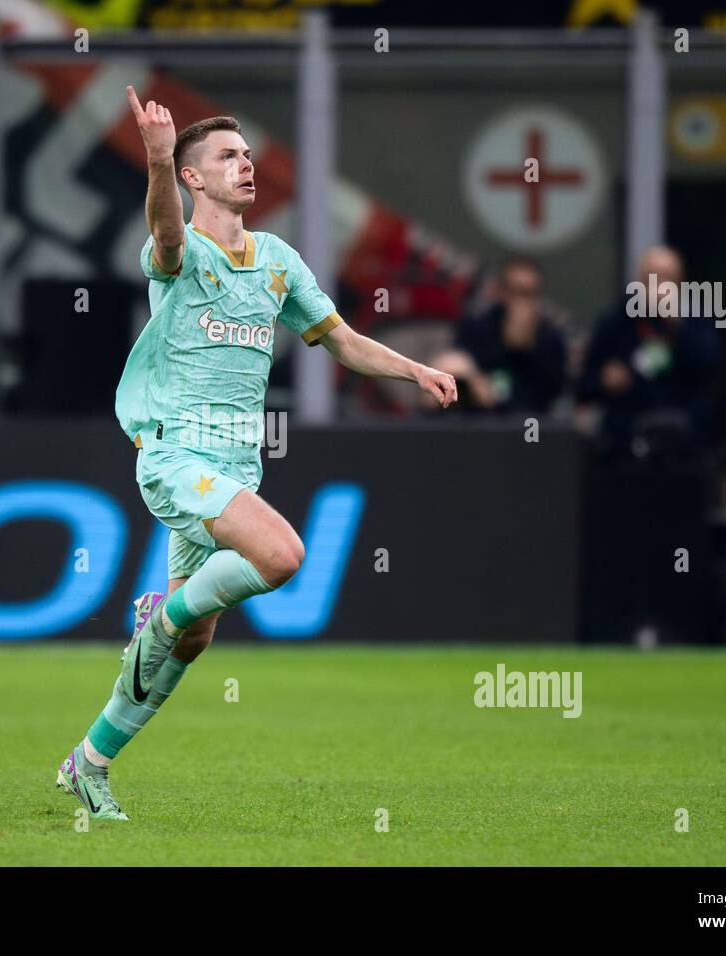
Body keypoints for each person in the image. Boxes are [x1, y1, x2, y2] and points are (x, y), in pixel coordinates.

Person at [55, 87, 459, 820]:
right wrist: (154, 159)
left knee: (194, 638)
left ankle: (90, 760)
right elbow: (165, 235)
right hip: (178, 455)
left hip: (237, 465)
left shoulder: (277, 259)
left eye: (246, 154)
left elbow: (340, 340)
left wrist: (414, 370)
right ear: (194, 178)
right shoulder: (177, 249)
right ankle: (160, 612)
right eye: (228, 157)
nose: (246, 166)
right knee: (281, 556)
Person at [576, 246, 719, 455]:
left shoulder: (695, 323)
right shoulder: (615, 322)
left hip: (683, 441)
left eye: (667, 279)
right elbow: (585, 388)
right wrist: (605, 381)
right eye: (653, 277)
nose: (659, 287)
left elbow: (709, 369)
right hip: (625, 441)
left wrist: (676, 324)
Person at [427, 257, 566, 415]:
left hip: (533, 428)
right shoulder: (477, 328)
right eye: (514, 292)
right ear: (500, 292)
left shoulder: (550, 338)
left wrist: (523, 348)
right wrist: (475, 380)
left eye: (527, 294)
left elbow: (551, 392)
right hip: (481, 423)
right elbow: (457, 371)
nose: (520, 302)